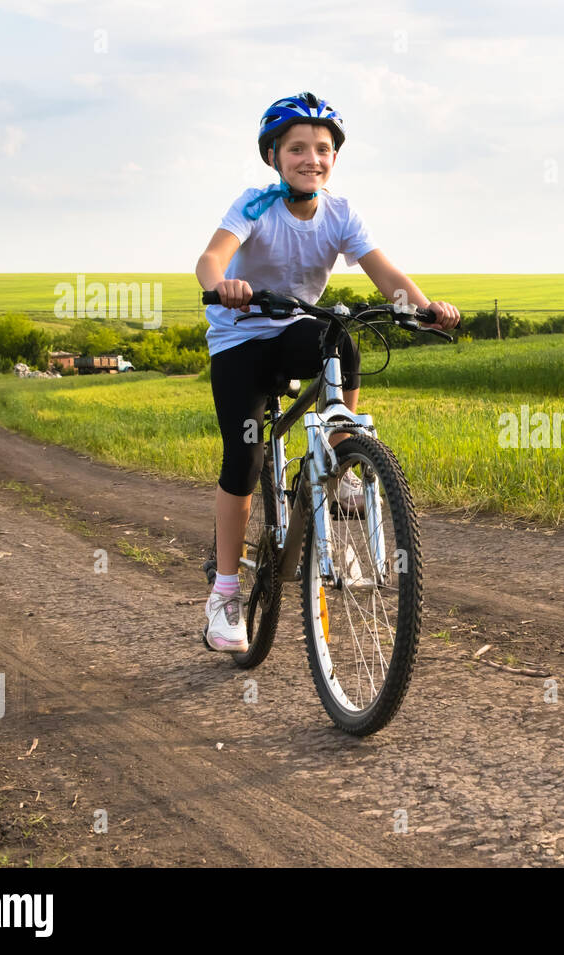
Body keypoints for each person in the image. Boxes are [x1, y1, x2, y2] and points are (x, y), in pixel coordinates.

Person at [195, 92, 459, 653]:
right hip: (241, 339)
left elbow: (384, 273)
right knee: (242, 456)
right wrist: (225, 285)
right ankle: (224, 594)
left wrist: (424, 308)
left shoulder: (340, 213)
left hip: (293, 331)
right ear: (274, 155)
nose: (310, 158)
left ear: (334, 157)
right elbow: (211, 259)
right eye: (296, 148)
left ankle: (341, 459)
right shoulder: (255, 204)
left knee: (342, 339)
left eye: (322, 148)